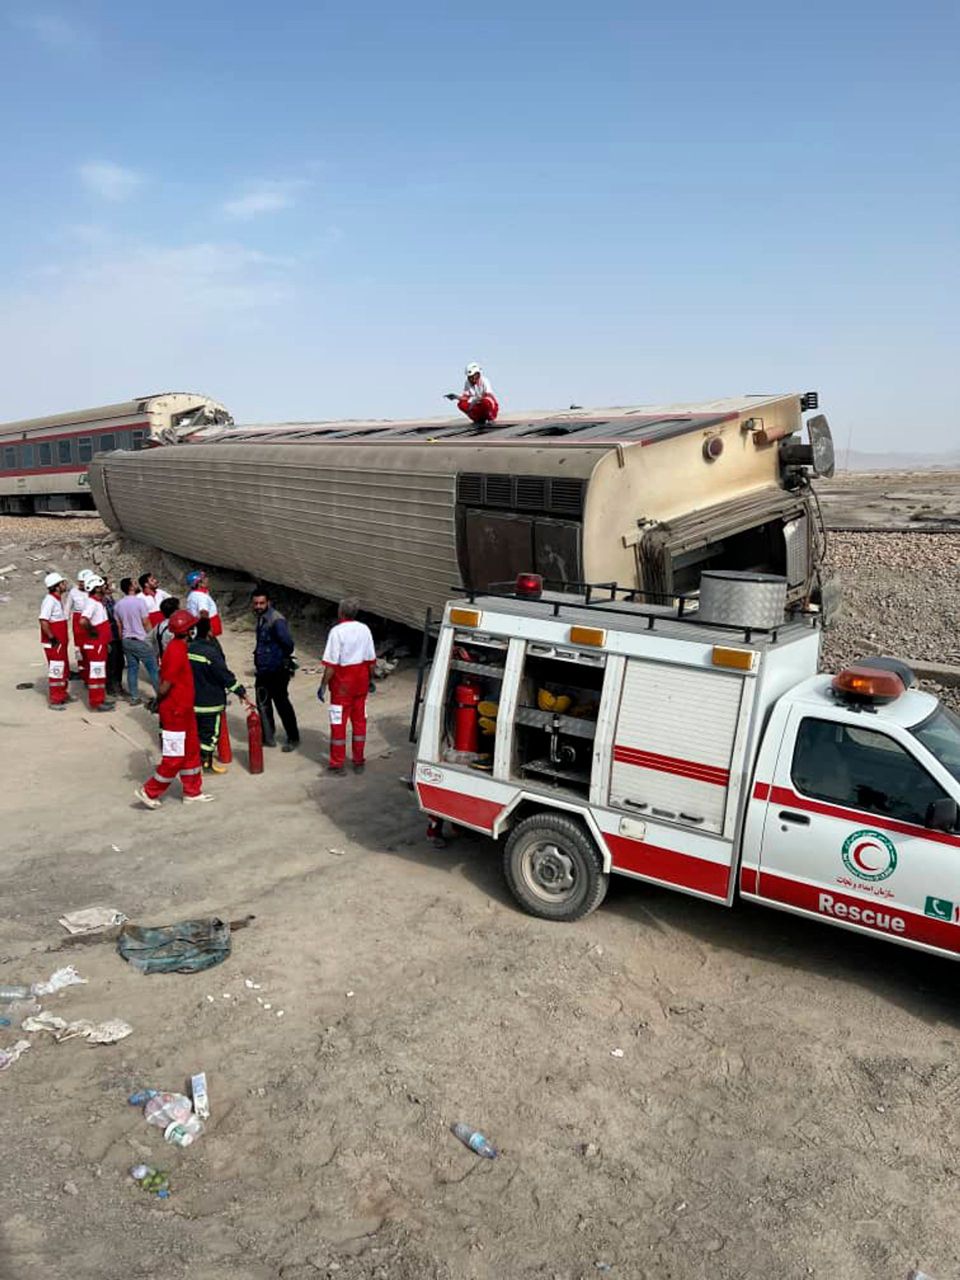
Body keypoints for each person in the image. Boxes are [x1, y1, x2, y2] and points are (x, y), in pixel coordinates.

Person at [135, 609, 213, 809]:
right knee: (175, 757)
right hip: (175, 712)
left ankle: (192, 791)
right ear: (189, 631)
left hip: (184, 709)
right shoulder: (176, 651)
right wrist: (157, 701)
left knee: (191, 751)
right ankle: (149, 791)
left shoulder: (179, 647)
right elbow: (165, 685)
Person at [318, 597, 376, 775]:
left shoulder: (337, 632)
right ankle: (358, 761)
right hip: (361, 684)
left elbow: (331, 665)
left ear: (340, 612)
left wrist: (322, 686)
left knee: (338, 724)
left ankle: (337, 763)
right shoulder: (364, 629)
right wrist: (370, 680)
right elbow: (371, 661)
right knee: (359, 723)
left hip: (342, 686)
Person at [189, 617, 246, 773]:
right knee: (210, 736)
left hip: (192, 701)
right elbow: (224, 676)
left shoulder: (188, 649)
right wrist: (241, 692)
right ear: (209, 631)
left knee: (197, 733)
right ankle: (206, 764)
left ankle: (196, 761)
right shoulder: (211, 653)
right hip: (210, 703)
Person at [252, 587, 300, 751]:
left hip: (277, 670)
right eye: (256, 603)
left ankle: (293, 738)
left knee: (282, 704)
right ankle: (268, 736)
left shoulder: (276, 620)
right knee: (262, 702)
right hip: (263, 670)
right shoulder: (261, 618)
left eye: (261, 603)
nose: (258, 606)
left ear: (268, 603)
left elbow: (288, 644)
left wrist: (280, 660)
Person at [114, 577, 159, 706]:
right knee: (153, 669)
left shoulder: (118, 605)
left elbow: (119, 626)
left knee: (132, 669)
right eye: (134, 583)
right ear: (131, 587)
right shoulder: (140, 602)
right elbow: (146, 622)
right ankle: (161, 696)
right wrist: (152, 638)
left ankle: (134, 696)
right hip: (141, 639)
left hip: (127, 640)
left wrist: (122, 641)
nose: (136, 584)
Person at [79, 576, 115, 712]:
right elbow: (83, 621)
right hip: (96, 646)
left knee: (100, 673)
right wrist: (93, 632)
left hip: (100, 644)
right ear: (96, 588)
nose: (105, 588)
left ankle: (100, 698)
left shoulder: (98, 602)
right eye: (103, 586)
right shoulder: (92, 603)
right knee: (96, 673)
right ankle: (96, 701)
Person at [39, 572, 70, 710]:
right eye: (63, 583)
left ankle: (62, 694)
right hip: (54, 643)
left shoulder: (57, 600)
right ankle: (55, 700)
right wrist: (52, 638)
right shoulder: (49, 601)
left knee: (63, 669)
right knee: (56, 670)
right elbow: (43, 621)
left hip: (60, 643)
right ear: (56, 586)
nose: (65, 585)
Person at [65, 569, 93, 682]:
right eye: (80, 581)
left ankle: (93, 672)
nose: (81, 584)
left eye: (83, 581)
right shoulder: (73, 592)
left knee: (92, 647)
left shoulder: (93, 591)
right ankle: (83, 672)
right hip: (78, 621)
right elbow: (67, 608)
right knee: (79, 648)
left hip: (91, 620)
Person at [101, 577, 125, 698]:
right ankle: (111, 687)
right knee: (112, 662)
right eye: (108, 585)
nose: (111, 587)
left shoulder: (111, 600)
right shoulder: (102, 602)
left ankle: (117, 685)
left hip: (116, 634)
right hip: (110, 636)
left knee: (119, 661)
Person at [185, 569, 222, 638]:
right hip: (207, 630)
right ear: (199, 583)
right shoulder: (201, 597)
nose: (207, 579)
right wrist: (207, 630)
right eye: (204, 578)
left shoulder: (195, 594)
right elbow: (203, 613)